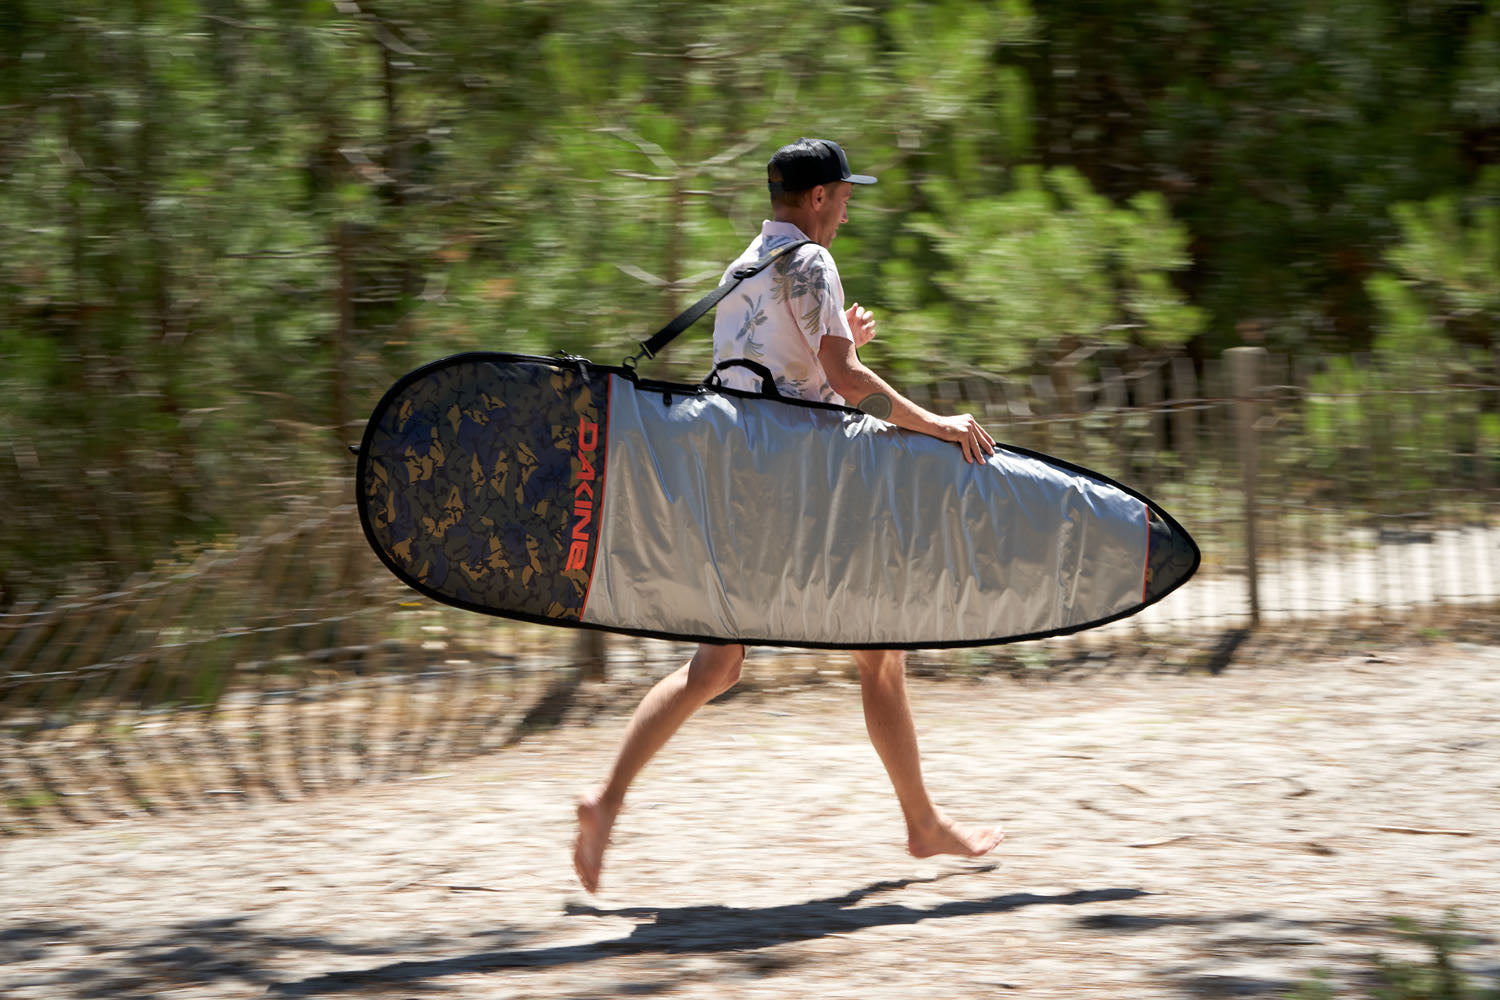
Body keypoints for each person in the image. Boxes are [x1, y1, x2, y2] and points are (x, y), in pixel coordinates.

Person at [572, 137, 1002, 894]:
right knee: (879, 651)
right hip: (792, 485)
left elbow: (783, 370)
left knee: (719, 663)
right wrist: (937, 424)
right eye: (842, 195)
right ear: (816, 198)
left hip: (730, 474)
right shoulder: (811, 261)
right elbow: (840, 377)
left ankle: (605, 803)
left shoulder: (745, 267)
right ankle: (922, 824)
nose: (846, 208)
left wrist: (841, 351)